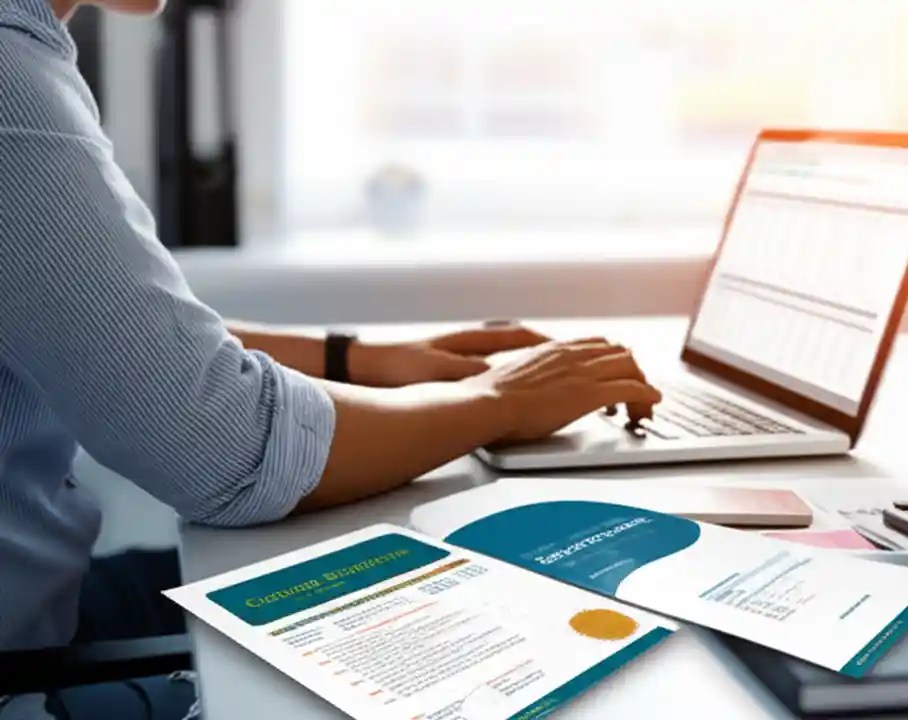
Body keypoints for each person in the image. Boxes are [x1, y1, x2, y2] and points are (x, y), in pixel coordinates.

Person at [0, 0, 660, 716]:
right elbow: (225, 451)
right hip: (30, 663)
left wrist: (369, 360)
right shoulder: (11, 79)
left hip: (53, 605)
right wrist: (497, 403)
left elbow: (114, 328)